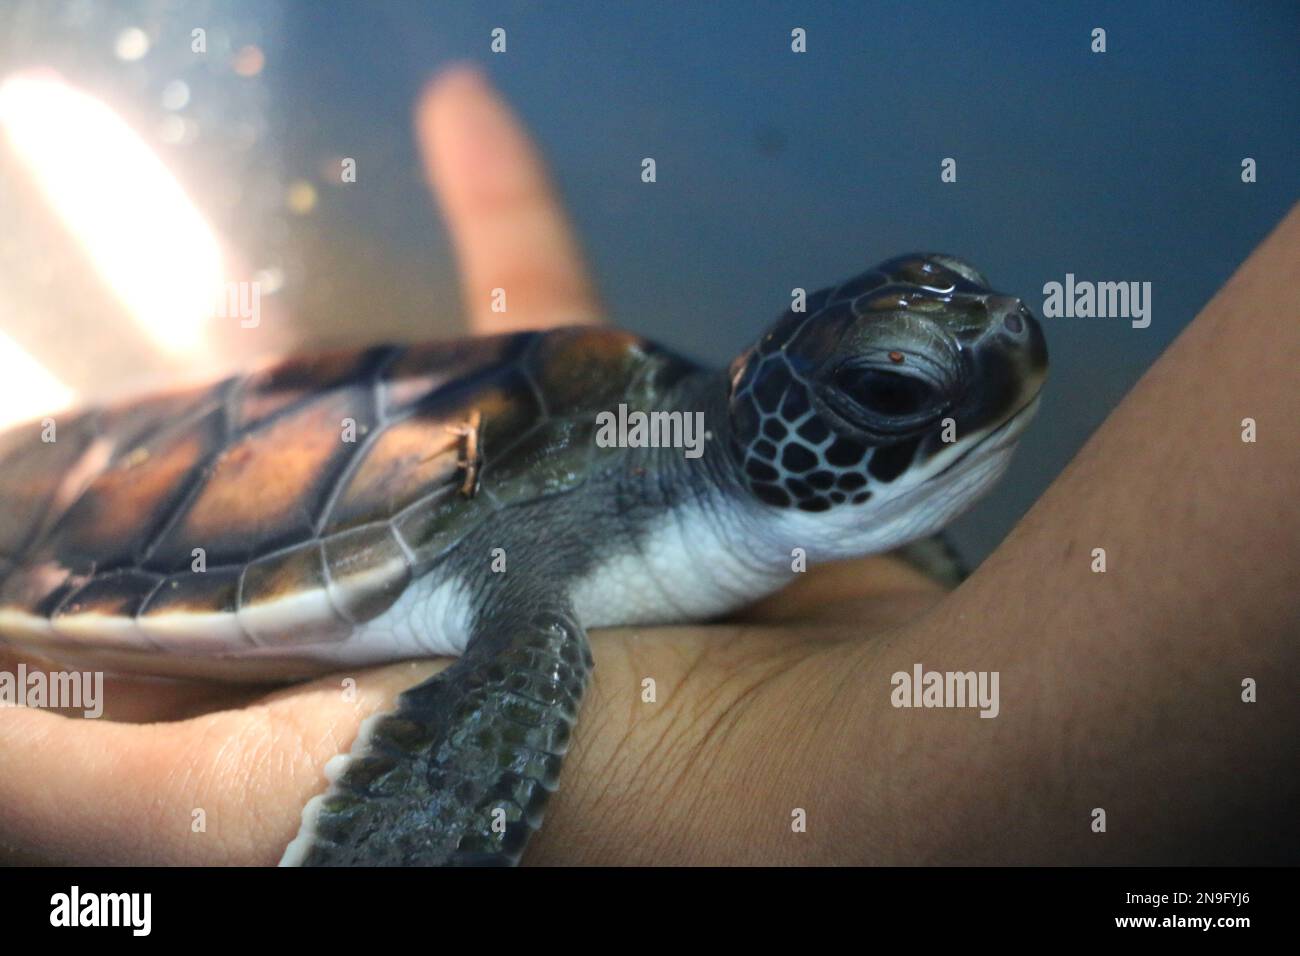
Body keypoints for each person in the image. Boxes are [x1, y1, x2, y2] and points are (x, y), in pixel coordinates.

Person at [0, 66, 1295, 865]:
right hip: (123, 513)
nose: (1004, 351)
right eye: (895, 392)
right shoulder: (540, 607)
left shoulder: (704, 478)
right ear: (775, 428)